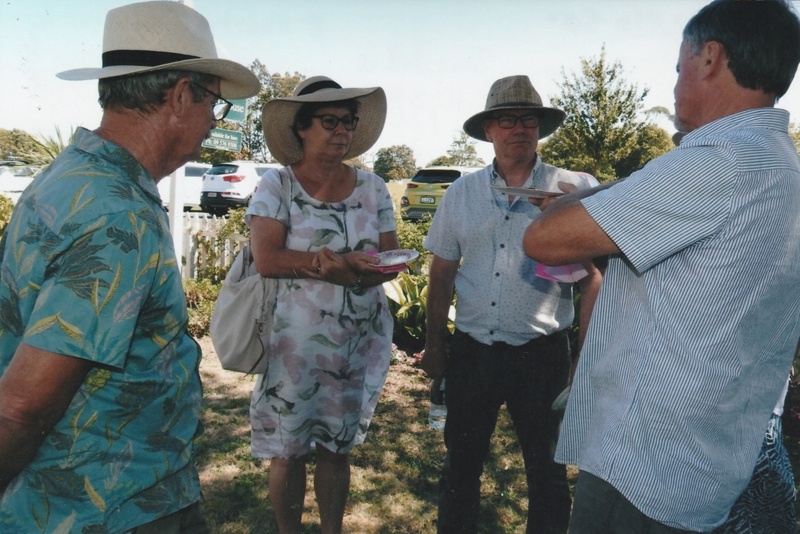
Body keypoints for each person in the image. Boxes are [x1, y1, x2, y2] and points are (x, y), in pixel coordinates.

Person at [522, 0, 800, 531]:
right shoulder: (781, 162)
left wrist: (582, 196)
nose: (674, 85)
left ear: (711, 57)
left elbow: (544, 239)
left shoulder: (717, 160)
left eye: (679, 68)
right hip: (712, 457)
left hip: (647, 468)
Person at [0, 2, 260, 532]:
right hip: (113, 507)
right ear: (181, 95)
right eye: (213, 101)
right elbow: (23, 406)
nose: (214, 119)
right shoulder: (119, 215)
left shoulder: (70, 176)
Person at [419, 75, 603, 534]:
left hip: (541, 356)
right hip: (473, 352)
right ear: (488, 130)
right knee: (461, 468)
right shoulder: (461, 194)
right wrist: (436, 347)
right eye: (507, 119)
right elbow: (440, 275)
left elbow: (595, 279)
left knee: (547, 473)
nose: (519, 128)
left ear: (540, 128)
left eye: (529, 119)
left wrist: (582, 356)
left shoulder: (571, 190)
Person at [247, 76, 399, 534]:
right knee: (288, 450)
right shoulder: (278, 186)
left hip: (356, 341)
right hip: (293, 344)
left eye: (348, 122)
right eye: (329, 122)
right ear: (301, 129)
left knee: (338, 447)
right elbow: (268, 260)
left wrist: (353, 272)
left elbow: (391, 261)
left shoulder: (373, 187)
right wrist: (325, 265)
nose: (342, 132)